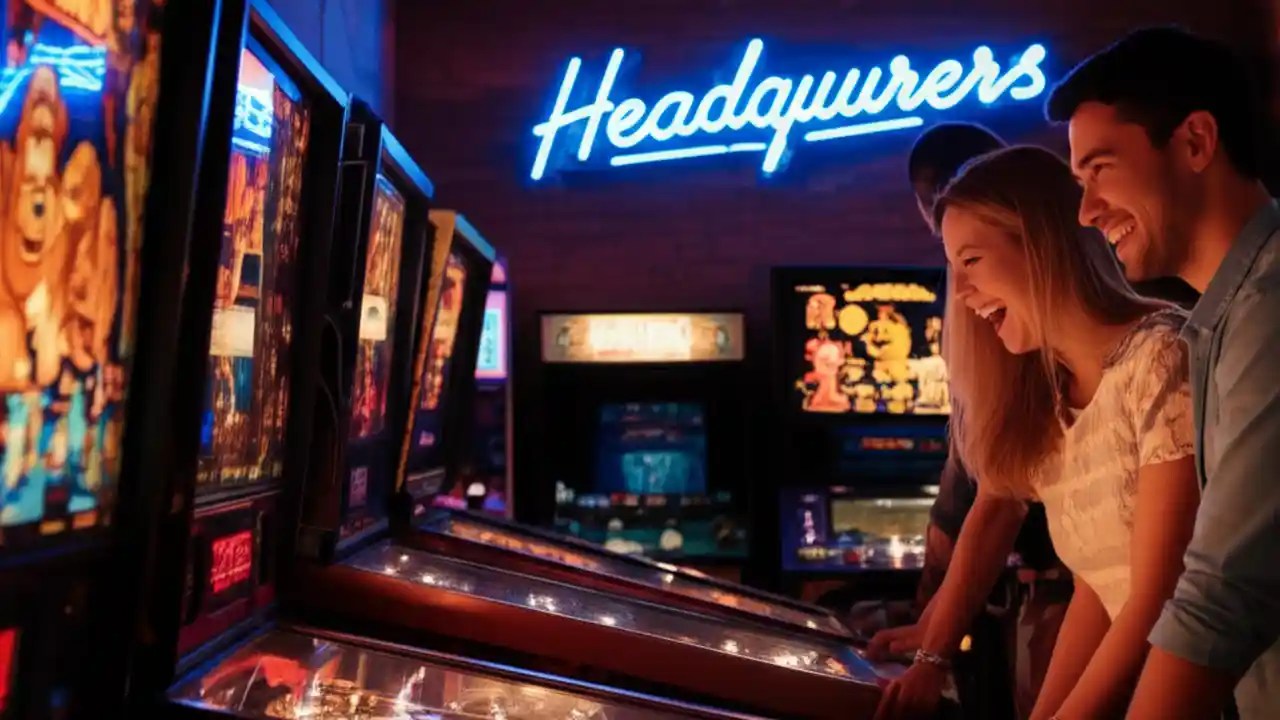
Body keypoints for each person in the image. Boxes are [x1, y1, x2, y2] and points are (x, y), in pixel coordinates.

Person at [873, 145, 1202, 720]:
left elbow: (1158, 594)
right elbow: (1097, 589)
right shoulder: (1052, 397)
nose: (963, 294)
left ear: (1039, 243)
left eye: (971, 261)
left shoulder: (1161, 358)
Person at [1044, 26, 1280, 720]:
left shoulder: (1269, 306)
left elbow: (1222, 593)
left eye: (1101, 168)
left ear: (1196, 143)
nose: (1086, 213)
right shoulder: (1225, 317)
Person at [866, 123, 1073, 720]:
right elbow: (997, 488)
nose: (962, 292)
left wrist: (933, 641)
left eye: (972, 260)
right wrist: (932, 636)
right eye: (956, 263)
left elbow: (978, 493)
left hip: (1045, 597)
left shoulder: (1141, 354)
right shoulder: (1006, 324)